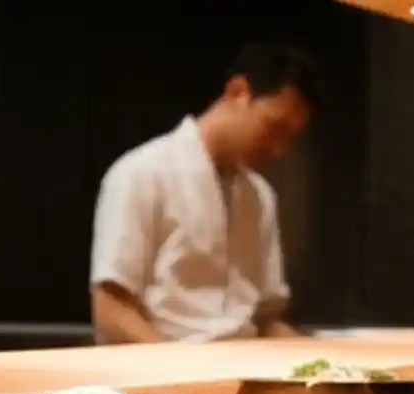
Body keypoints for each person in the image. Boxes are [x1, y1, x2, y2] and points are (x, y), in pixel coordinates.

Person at [88, 43, 322, 344]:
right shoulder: (141, 173)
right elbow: (111, 310)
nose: (278, 149)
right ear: (239, 92)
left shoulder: (260, 196)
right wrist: (184, 367)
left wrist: (322, 358)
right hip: (168, 369)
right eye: (274, 127)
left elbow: (266, 319)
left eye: (288, 137)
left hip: (247, 364)